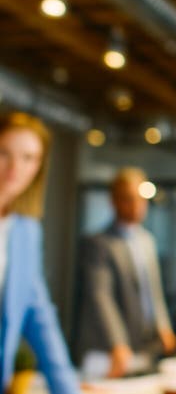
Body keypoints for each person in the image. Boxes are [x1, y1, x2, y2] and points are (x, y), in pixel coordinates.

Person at [0, 112, 80, 394]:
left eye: (28, 158)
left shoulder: (26, 231)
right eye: (4, 153)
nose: (15, 168)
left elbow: (40, 317)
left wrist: (68, 390)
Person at [73, 167, 176, 377]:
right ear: (115, 201)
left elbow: (154, 292)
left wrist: (164, 326)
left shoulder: (148, 240)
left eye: (141, 199)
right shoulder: (99, 243)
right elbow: (101, 297)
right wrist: (117, 342)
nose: (137, 206)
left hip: (144, 344)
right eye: (129, 198)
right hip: (107, 350)